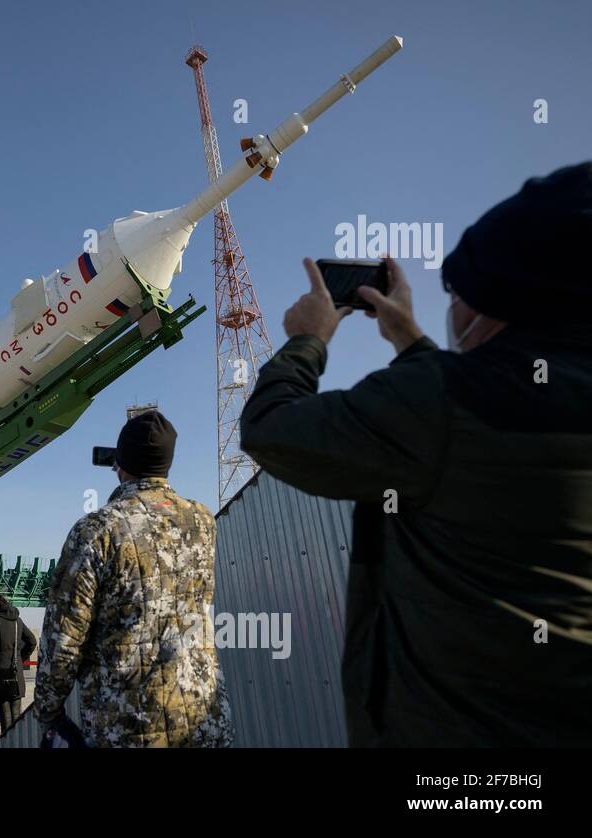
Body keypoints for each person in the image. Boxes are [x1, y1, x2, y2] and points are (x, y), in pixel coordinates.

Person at [239, 163, 592, 747]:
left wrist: (308, 339)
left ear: (491, 306)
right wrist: (410, 341)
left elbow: (271, 429)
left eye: (458, 293)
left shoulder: (436, 406)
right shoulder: (460, 402)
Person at [35, 411, 233, 748]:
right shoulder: (201, 522)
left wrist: (48, 710)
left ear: (120, 463)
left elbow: (64, 640)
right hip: (205, 719)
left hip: (128, 727)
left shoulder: (96, 530)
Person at [0, 593, 37, 734]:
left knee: (5, 717)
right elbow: (32, 641)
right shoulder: (18, 620)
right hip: (15, 671)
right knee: (16, 715)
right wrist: (20, 658)